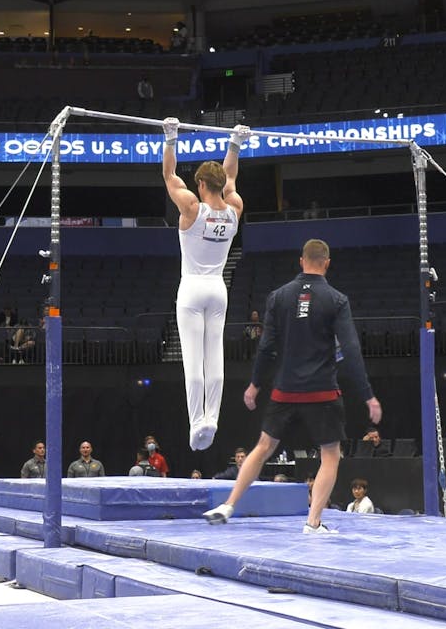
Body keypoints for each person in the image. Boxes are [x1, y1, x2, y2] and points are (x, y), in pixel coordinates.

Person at [204, 239, 382, 533]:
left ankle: (229, 504)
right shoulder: (336, 300)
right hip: (322, 390)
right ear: (326, 263)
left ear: (301, 261)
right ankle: (313, 523)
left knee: (262, 447)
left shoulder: (278, 297)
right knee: (331, 454)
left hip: (284, 389)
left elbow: (266, 347)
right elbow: (350, 350)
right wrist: (368, 396)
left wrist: (255, 384)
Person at [162, 117, 250, 451]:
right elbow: (231, 179)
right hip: (217, 288)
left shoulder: (190, 208)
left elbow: (170, 176)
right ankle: (210, 418)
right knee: (215, 357)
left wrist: (171, 138)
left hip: (192, 288)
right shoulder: (234, 210)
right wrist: (235, 144)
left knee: (192, 359)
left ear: (200, 184)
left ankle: (197, 421)